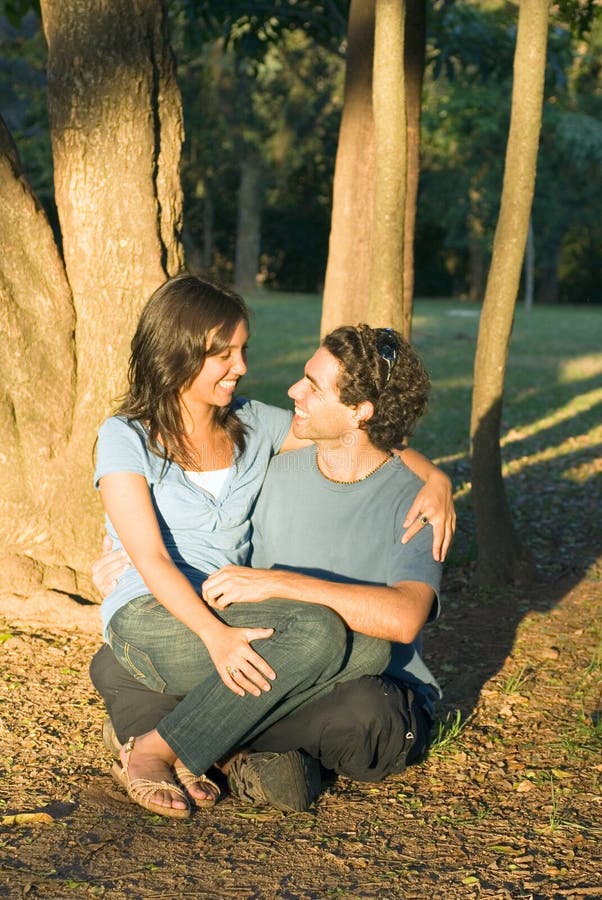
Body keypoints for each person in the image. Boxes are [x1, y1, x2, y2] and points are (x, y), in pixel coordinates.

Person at [92, 296, 451, 815]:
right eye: (225, 354)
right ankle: (167, 748)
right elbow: (151, 558)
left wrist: (435, 476)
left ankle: (187, 738)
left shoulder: (254, 426)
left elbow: (363, 433)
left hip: (229, 611)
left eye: (242, 350)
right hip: (164, 611)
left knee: (367, 652)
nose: (243, 367)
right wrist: (217, 637)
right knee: (322, 638)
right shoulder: (126, 436)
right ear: (177, 355)